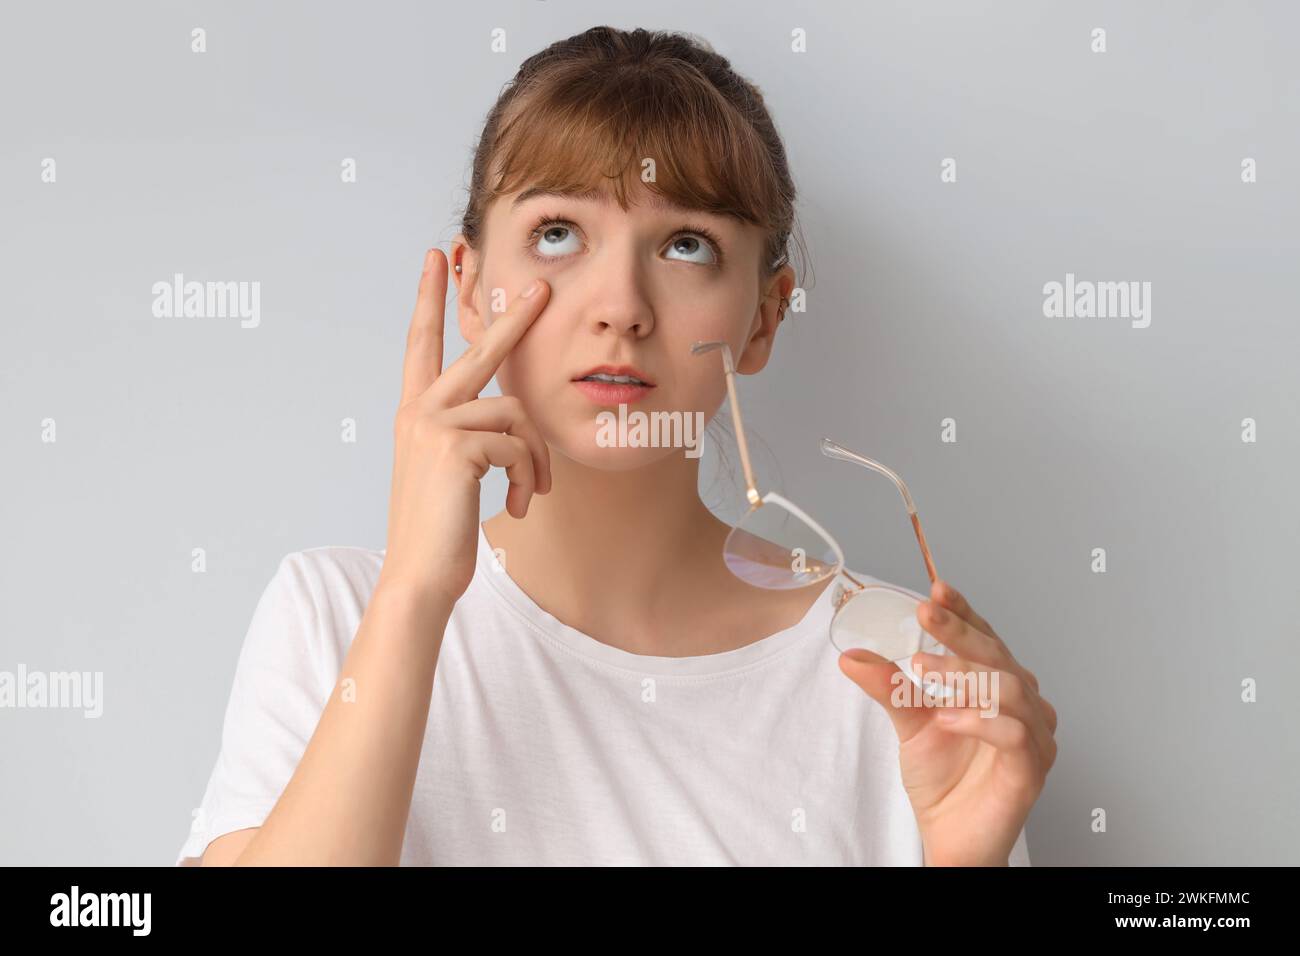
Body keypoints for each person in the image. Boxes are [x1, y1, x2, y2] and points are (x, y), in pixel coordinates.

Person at [178, 25, 1056, 867]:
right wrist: (413, 595)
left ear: (764, 317)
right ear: (474, 289)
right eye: (557, 234)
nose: (621, 305)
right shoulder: (333, 617)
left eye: (686, 245)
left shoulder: (894, 668)